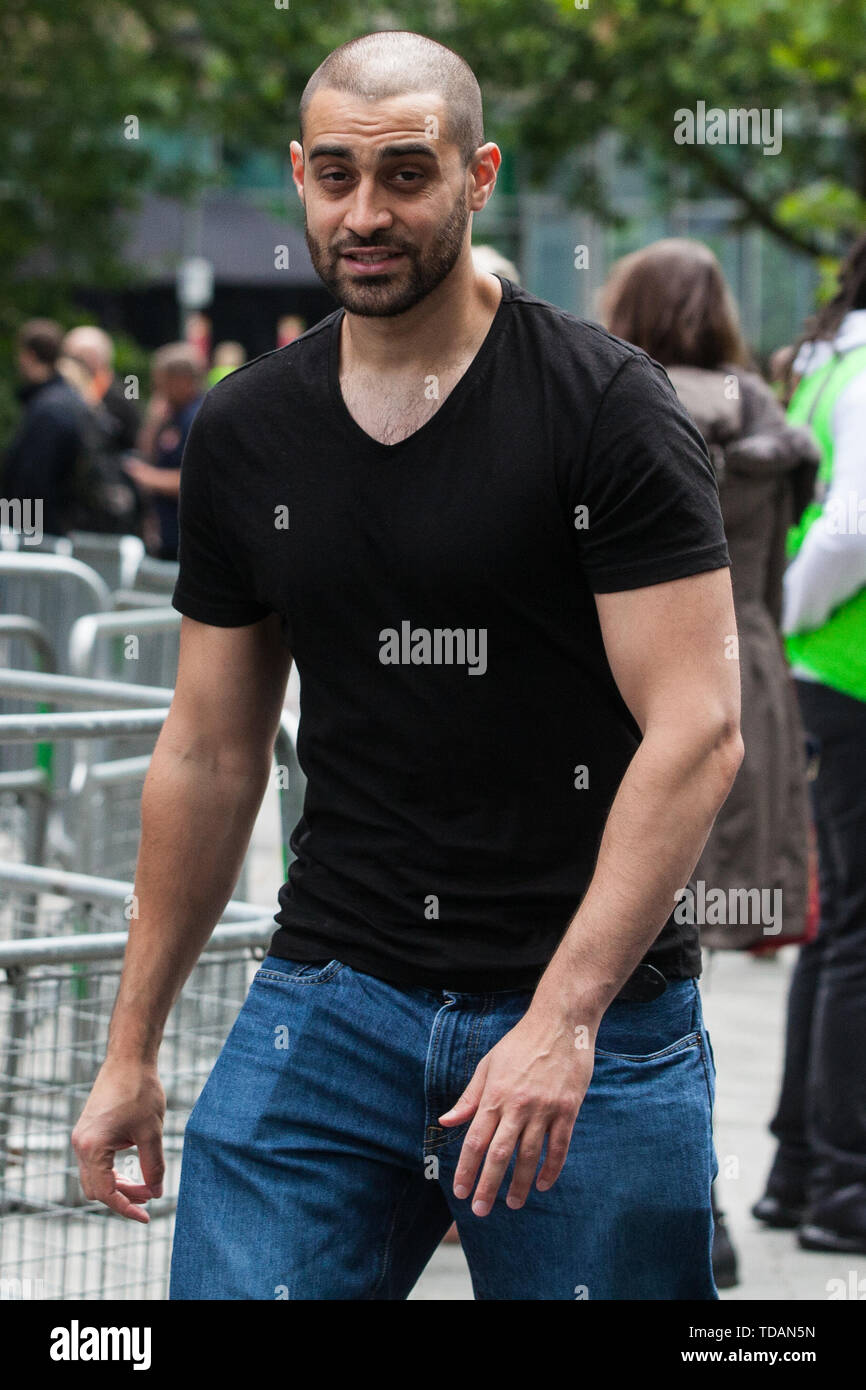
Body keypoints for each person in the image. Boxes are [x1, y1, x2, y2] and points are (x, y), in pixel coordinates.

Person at [72, 30, 743, 1301]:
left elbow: (699, 729)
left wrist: (562, 1021)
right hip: (331, 996)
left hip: (588, 1013)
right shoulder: (246, 428)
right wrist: (131, 1047)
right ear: (299, 178)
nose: (365, 213)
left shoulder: (605, 406)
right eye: (335, 176)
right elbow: (208, 750)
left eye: (405, 173)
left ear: (477, 175)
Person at [600, 238, 819, 1288]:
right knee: (700, 955)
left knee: (626, 951)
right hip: (747, 687)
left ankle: (670, 1198)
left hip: (627, 691)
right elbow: (776, 576)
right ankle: (705, 1203)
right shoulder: (766, 417)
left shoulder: (610, 403)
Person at [753, 230, 866, 1253]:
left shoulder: (831, 360)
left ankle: (801, 1173)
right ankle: (842, 1188)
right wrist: (792, 616)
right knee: (855, 939)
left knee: (838, 935)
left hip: (826, 675)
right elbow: (851, 527)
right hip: (849, 674)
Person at [2, 319, 90, 538]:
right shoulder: (66, 399)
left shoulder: (48, 408)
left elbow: (33, 480)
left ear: (29, 355)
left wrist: (21, 536)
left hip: (42, 532)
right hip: (58, 526)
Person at [122, 343, 205, 561]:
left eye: (163, 381)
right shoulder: (173, 415)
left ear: (183, 380)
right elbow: (147, 454)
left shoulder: (197, 418)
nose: (157, 388)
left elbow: (195, 482)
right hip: (168, 534)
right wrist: (153, 421)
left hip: (187, 540)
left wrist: (146, 476)